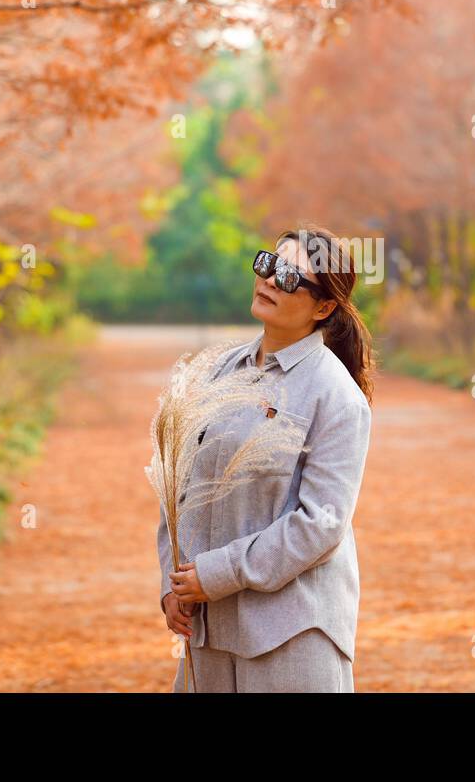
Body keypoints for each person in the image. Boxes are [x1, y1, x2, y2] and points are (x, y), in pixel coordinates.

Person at [157, 224, 375, 692]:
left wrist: (215, 575)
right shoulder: (218, 372)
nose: (273, 280)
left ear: (324, 307)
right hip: (208, 633)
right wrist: (172, 580)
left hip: (291, 634)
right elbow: (178, 483)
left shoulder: (334, 395)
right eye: (269, 264)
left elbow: (321, 522)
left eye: (293, 277)